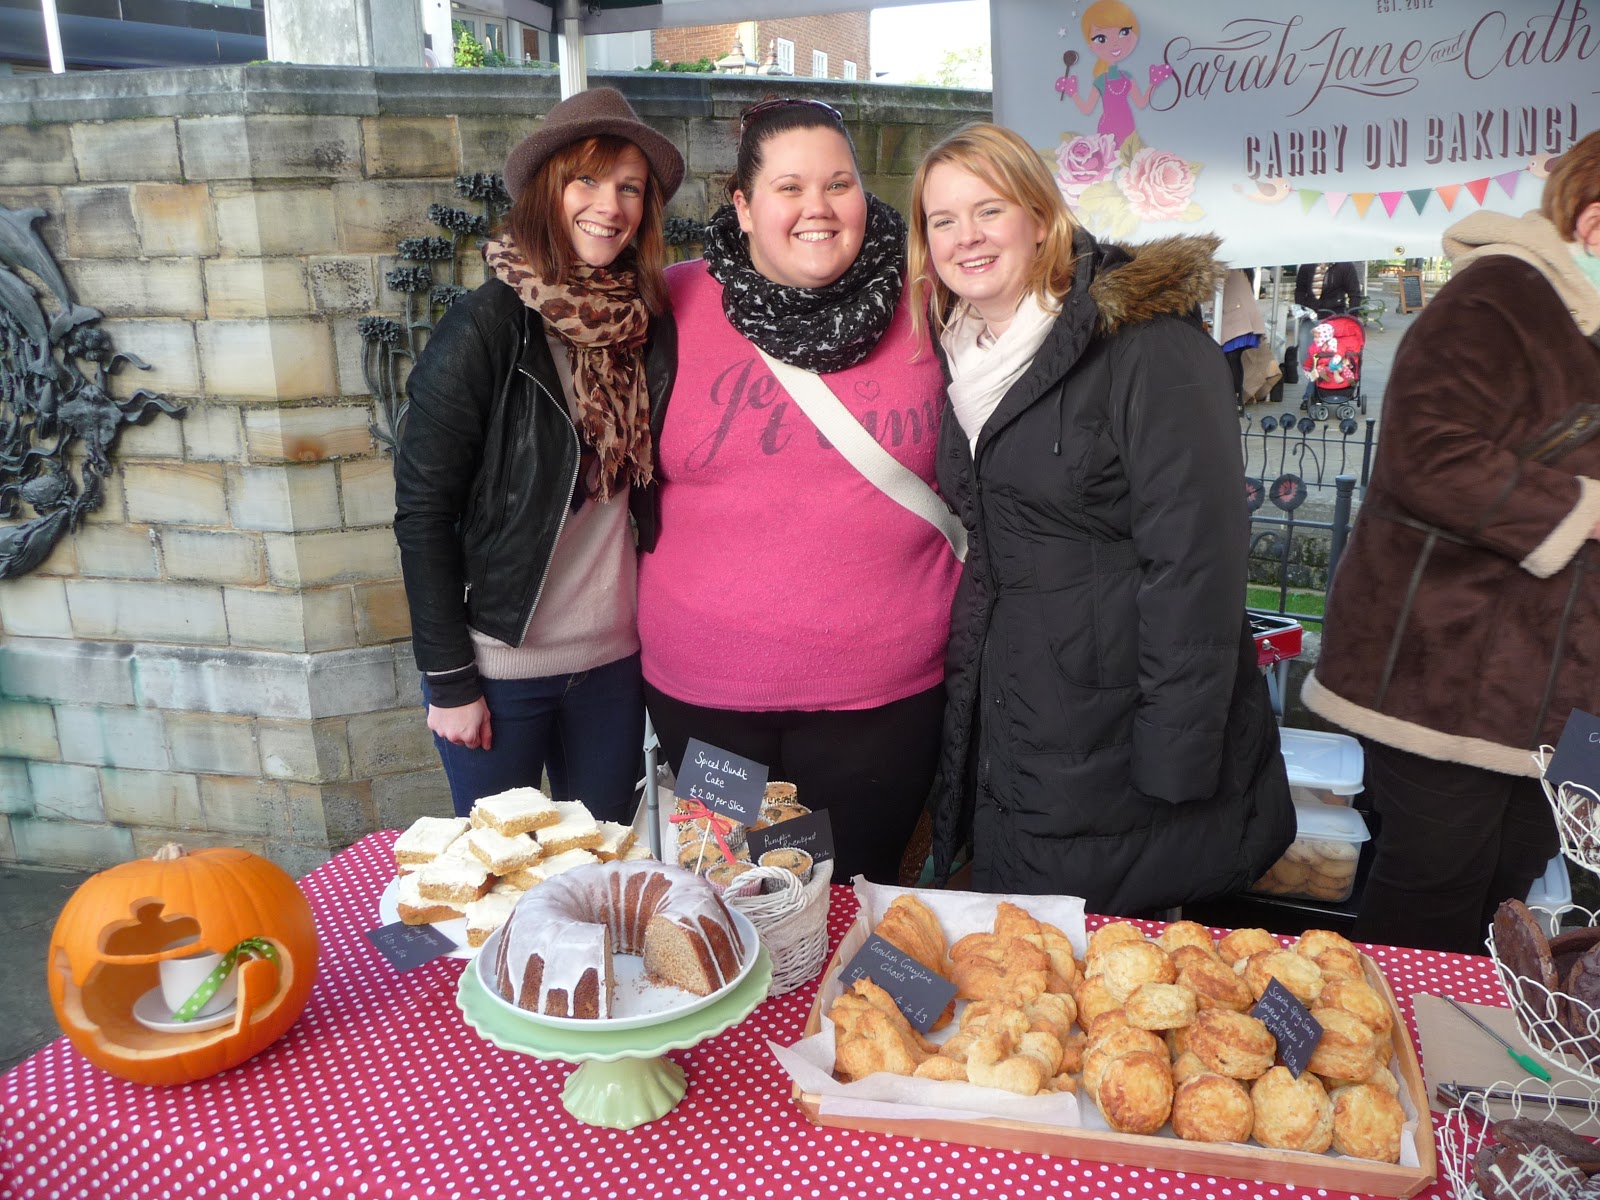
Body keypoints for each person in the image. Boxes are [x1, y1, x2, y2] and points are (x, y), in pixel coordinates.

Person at [908, 123, 1293, 914]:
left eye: (989, 210)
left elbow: (1197, 561)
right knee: (1026, 960)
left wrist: (1177, 752)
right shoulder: (964, 355)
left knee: (1118, 968)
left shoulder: (1146, 347)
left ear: (1040, 218)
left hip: (1120, 737)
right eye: (943, 220)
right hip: (1025, 725)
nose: (966, 237)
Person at [636, 97, 962, 884]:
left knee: (848, 897)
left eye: (838, 185)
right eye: (789, 187)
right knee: (740, 898)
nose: (818, 207)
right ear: (744, 206)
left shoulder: (934, 300)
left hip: (880, 701)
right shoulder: (665, 307)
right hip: (708, 697)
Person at [1302, 129, 1600, 956]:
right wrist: (1584, 507)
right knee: (1434, 892)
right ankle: (1393, 1038)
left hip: (1570, 697)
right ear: (1594, 222)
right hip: (1452, 672)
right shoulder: (1501, 294)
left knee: (1514, 890)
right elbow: (1425, 453)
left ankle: (1468, 1038)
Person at [392, 88, 683, 821]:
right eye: (587, 180)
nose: (610, 206)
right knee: (505, 874)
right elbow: (424, 512)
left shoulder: (647, 326)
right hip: (500, 668)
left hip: (614, 665)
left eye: (630, 188)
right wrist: (450, 679)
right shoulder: (484, 328)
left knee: (604, 867)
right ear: (546, 189)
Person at [1294, 260, 1363, 315]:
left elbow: (1354, 293)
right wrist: (1302, 311)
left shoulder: (1345, 265)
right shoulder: (1307, 265)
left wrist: (1352, 318)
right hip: (1311, 314)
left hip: (1335, 313)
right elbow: (1300, 290)